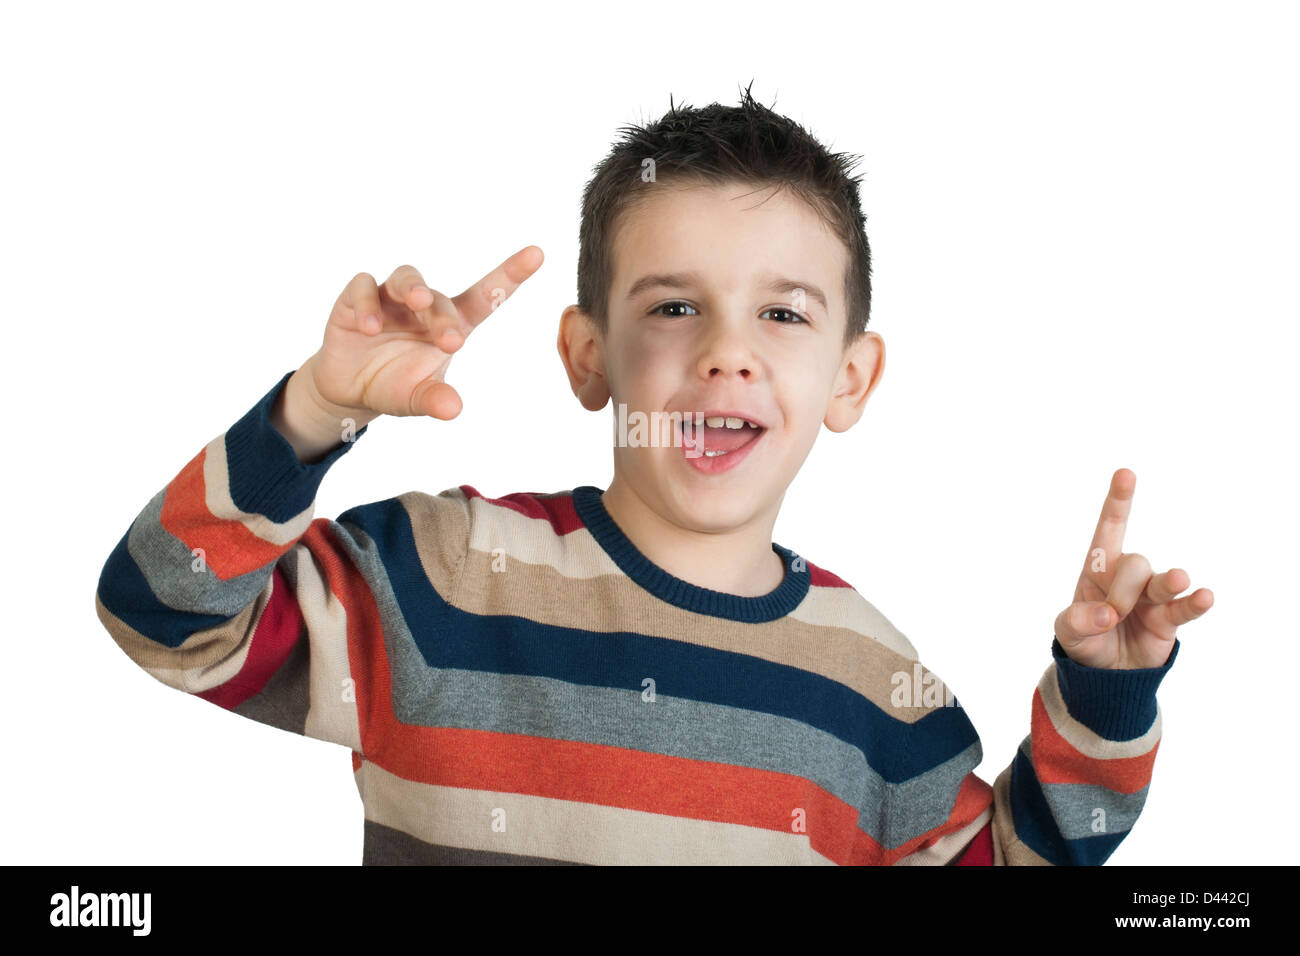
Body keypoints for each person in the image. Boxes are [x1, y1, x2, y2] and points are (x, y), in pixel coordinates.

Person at [93, 86, 1213, 865]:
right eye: (674, 305)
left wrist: (1101, 694)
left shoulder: (872, 682)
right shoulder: (439, 576)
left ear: (850, 378)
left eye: (782, 312)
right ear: (589, 356)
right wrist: (314, 413)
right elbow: (165, 615)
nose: (727, 347)